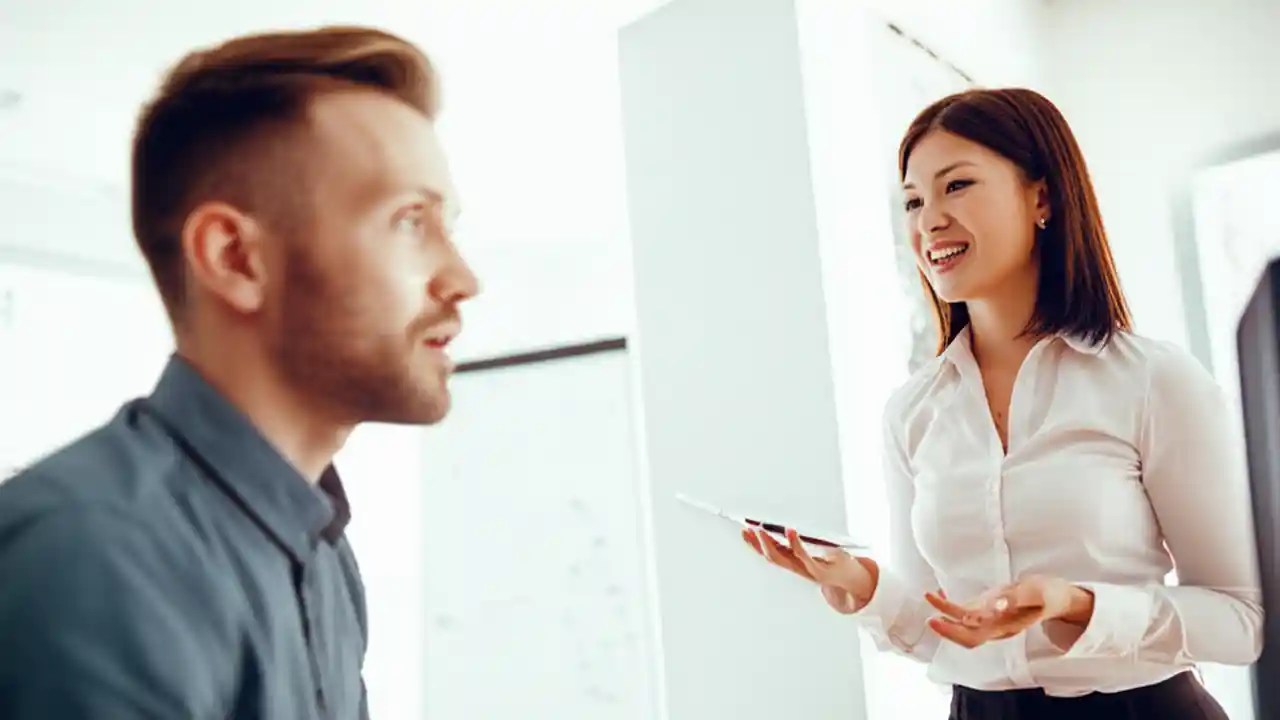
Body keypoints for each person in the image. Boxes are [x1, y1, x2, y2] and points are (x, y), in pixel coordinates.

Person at [0, 26, 478, 718]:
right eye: (410, 221)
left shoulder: (323, 555)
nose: (464, 279)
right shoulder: (85, 558)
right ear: (235, 259)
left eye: (448, 227)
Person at [744, 88, 1262, 719]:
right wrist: (863, 586)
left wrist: (1077, 604)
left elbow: (1242, 618)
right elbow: (939, 624)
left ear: (1041, 197)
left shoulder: (1153, 380)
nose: (927, 219)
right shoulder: (912, 412)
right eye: (911, 201)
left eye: (955, 186)